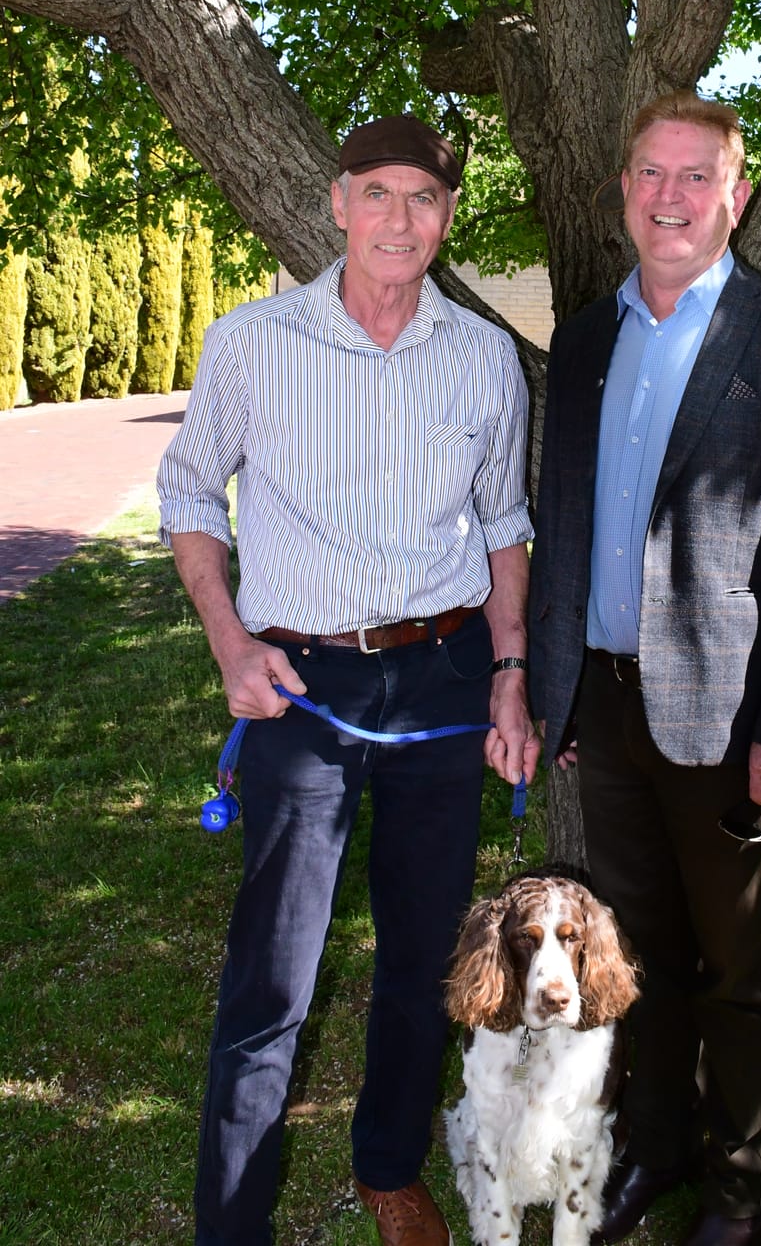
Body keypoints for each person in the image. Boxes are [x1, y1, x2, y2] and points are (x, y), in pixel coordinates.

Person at [158, 115, 540, 1246]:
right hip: (300, 689)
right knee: (273, 975)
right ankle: (232, 1221)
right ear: (336, 204)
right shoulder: (251, 341)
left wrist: (509, 676)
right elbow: (189, 495)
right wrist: (232, 644)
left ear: (448, 218)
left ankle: (388, 1166)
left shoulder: (483, 355)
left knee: (428, 955)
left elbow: (506, 523)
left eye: (423, 198)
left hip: (442, 685)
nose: (399, 219)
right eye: (378, 193)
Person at [528, 91, 761, 1246]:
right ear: (622, 189)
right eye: (650, 175)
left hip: (733, 721)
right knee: (637, 960)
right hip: (613, 708)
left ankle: (741, 1189)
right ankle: (658, 1149)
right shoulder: (586, 338)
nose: (670, 198)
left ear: (738, 193)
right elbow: (564, 520)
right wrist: (559, 688)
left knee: (738, 971)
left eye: (697, 177)